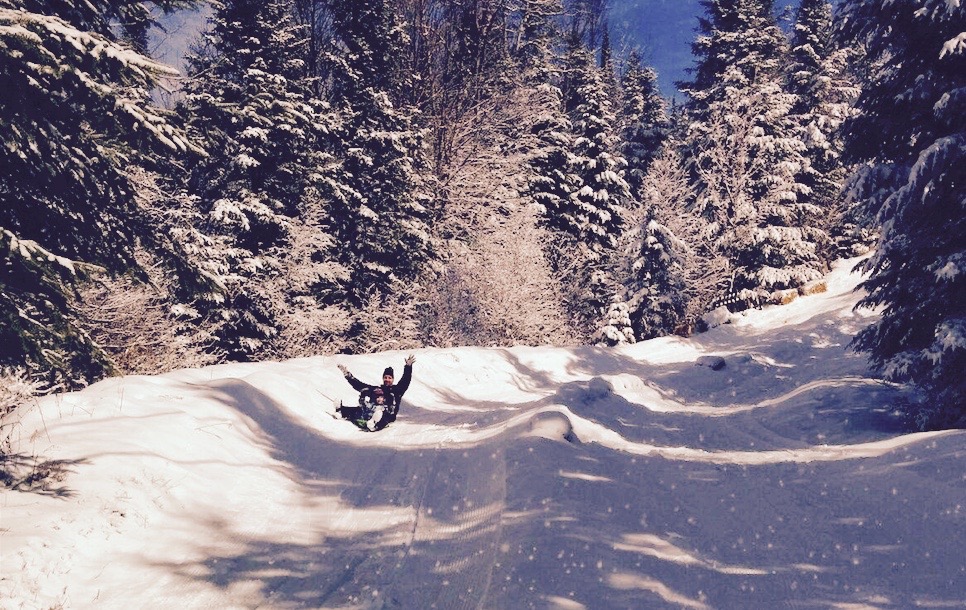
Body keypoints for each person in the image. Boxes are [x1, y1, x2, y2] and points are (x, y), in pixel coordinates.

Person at [337, 355, 415, 431]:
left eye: (389, 378)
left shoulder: (397, 390)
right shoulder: (376, 389)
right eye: (385, 377)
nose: (387, 379)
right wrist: (348, 375)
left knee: (385, 417)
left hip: (387, 415)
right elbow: (359, 385)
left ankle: (375, 425)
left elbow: (405, 381)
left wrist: (408, 367)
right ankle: (341, 411)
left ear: (393, 379)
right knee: (358, 409)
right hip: (372, 412)